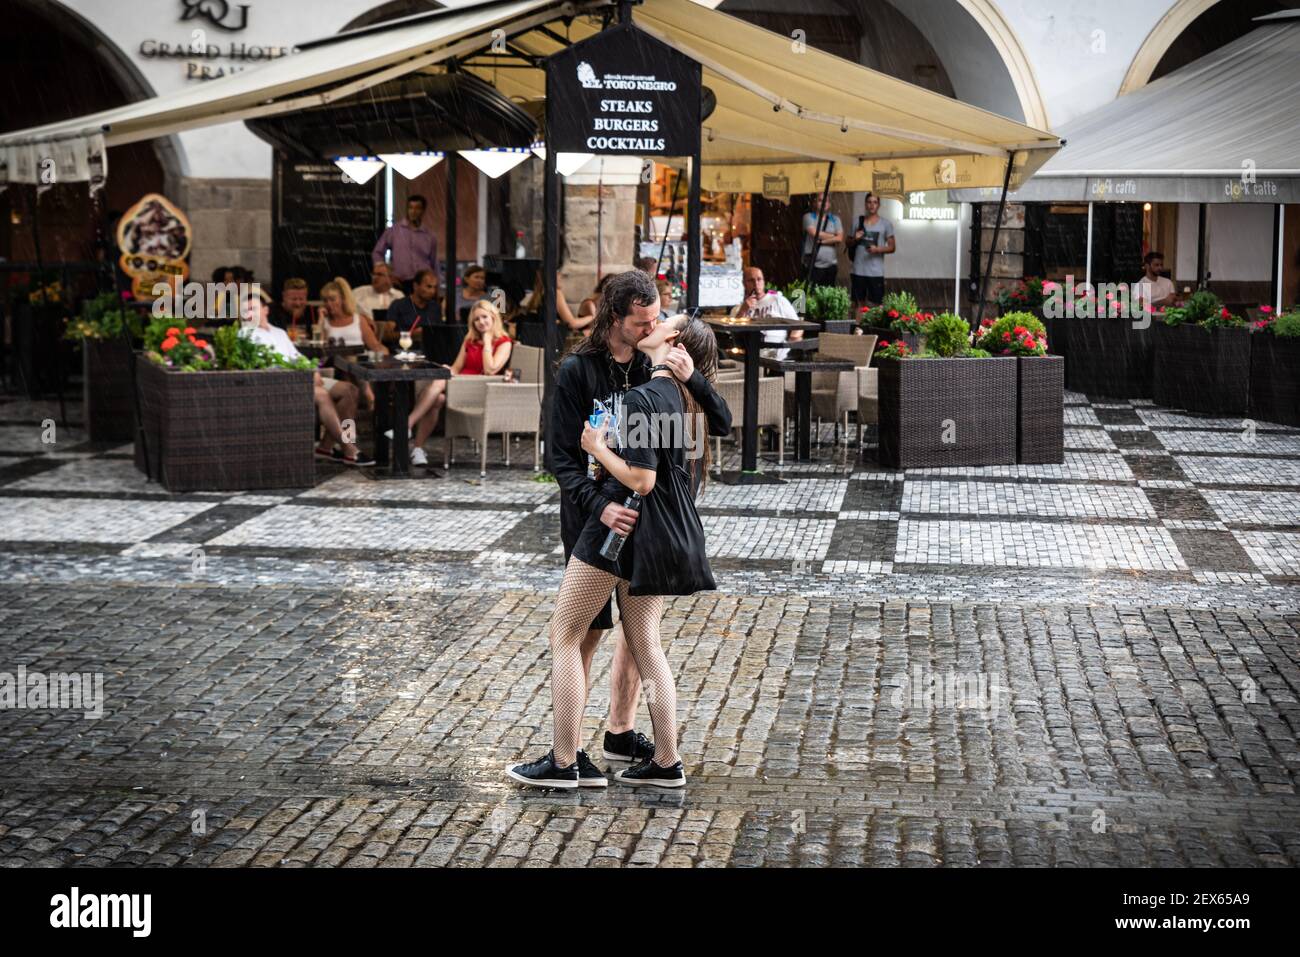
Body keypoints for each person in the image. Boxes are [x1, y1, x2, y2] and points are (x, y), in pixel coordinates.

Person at [505, 269, 730, 785]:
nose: (657, 327)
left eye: (660, 319)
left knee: (613, 638)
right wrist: (597, 502)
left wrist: (603, 448)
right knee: (592, 634)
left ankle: (603, 744)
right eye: (645, 322)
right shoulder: (579, 372)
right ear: (615, 318)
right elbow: (560, 459)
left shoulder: (655, 386)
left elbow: (652, 470)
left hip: (633, 521)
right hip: (599, 514)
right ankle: (596, 752)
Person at [241, 299, 375, 466]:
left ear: (265, 310)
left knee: (350, 390)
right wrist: (304, 375)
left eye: (253, 308)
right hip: (278, 383)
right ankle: (349, 448)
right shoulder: (245, 335)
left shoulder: (279, 333)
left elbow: (298, 358)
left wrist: (314, 370)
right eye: (244, 311)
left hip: (302, 377)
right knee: (322, 395)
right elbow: (264, 366)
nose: (249, 314)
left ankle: (326, 447)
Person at [398, 300, 514, 467]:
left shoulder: (504, 342)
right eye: (476, 319)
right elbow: (457, 368)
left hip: (479, 391)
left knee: (438, 384)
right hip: (459, 386)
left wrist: (488, 341)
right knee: (437, 399)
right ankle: (417, 449)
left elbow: (490, 370)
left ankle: (406, 425)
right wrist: (448, 370)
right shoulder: (470, 340)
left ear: (494, 318)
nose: (481, 322)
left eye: (484, 317)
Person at [319, 277, 387, 407]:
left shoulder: (358, 319)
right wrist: (321, 321)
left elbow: (374, 345)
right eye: (325, 300)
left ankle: (364, 394)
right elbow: (321, 348)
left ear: (343, 299)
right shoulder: (325, 323)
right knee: (344, 360)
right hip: (334, 365)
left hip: (358, 364)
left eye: (333, 299)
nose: (329, 304)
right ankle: (367, 394)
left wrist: (386, 354)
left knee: (352, 360)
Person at [731, 266, 804, 359]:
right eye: (751, 280)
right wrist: (743, 310)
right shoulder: (738, 309)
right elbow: (734, 332)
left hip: (776, 351)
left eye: (759, 279)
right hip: (748, 353)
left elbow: (798, 326)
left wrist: (789, 346)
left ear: (764, 282)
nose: (756, 283)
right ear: (744, 283)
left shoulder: (777, 300)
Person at [372, 194, 436, 284]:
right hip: (400, 281)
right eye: (410, 208)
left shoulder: (429, 236)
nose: (413, 211)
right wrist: (386, 273)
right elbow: (377, 253)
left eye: (417, 208)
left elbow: (433, 264)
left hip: (422, 283)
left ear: (423, 210)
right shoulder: (394, 231)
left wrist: (435, 282)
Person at [847, 192, 896, 308]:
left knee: (877, 304)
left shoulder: (886, 224)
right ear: (865, 204)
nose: (872, 205)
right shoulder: (857, 221)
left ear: (878, 205)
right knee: (858, 304)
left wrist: (877, 249)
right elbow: (847, 243)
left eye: (875, 202)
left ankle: (872, 326)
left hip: (876, 272)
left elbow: (892, 247)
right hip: (858, 270)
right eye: (869, 202)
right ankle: (858, 326)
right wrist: (855, 238)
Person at [801, 194, 843, 288]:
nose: (824, 203)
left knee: (829, 297)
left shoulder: (835, 219)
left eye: (826, 201)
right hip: (813, 265)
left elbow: (840, 238)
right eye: (820, 200)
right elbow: (815, 234)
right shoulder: (808, 217)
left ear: (829, 204)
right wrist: (833, 236)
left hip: (831, 266)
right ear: (815, 203)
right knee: (812, 295)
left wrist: (822, 241)